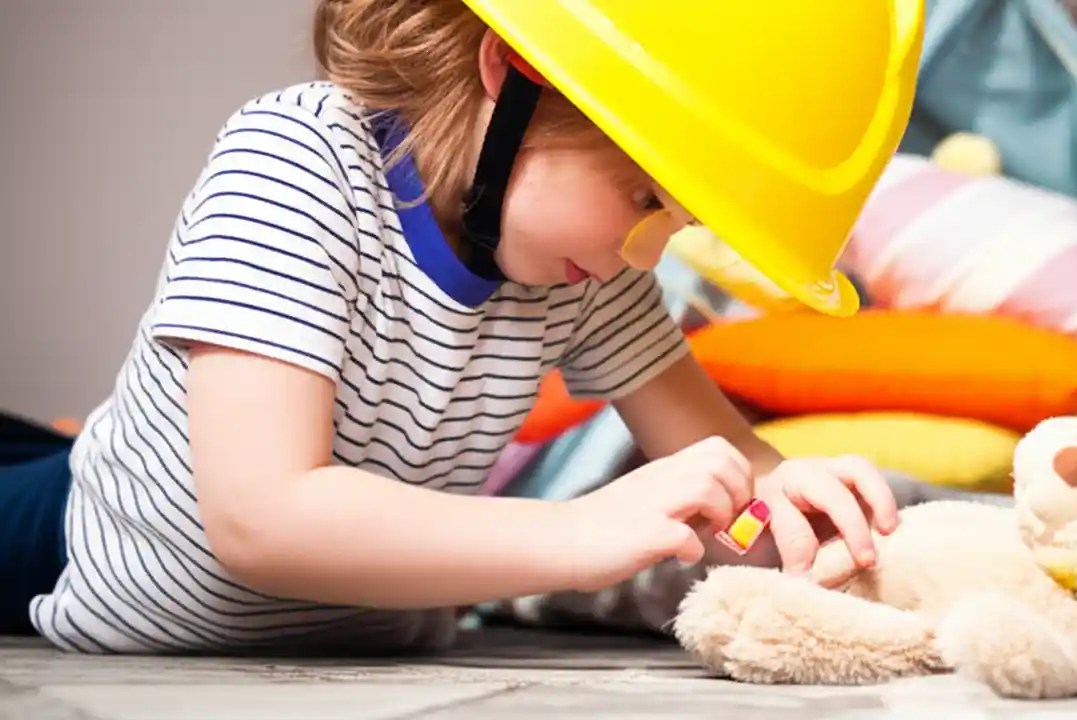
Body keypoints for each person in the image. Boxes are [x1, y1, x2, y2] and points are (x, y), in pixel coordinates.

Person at [1, 0, 924, 654]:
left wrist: (789, 506)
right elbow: (261, 517)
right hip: (72, 544)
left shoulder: (589, 266)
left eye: (676, 224)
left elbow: (737, 474)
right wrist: (571, 535)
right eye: (645, 198)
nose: (647, 254)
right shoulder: (296, 159)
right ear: (510, 75)